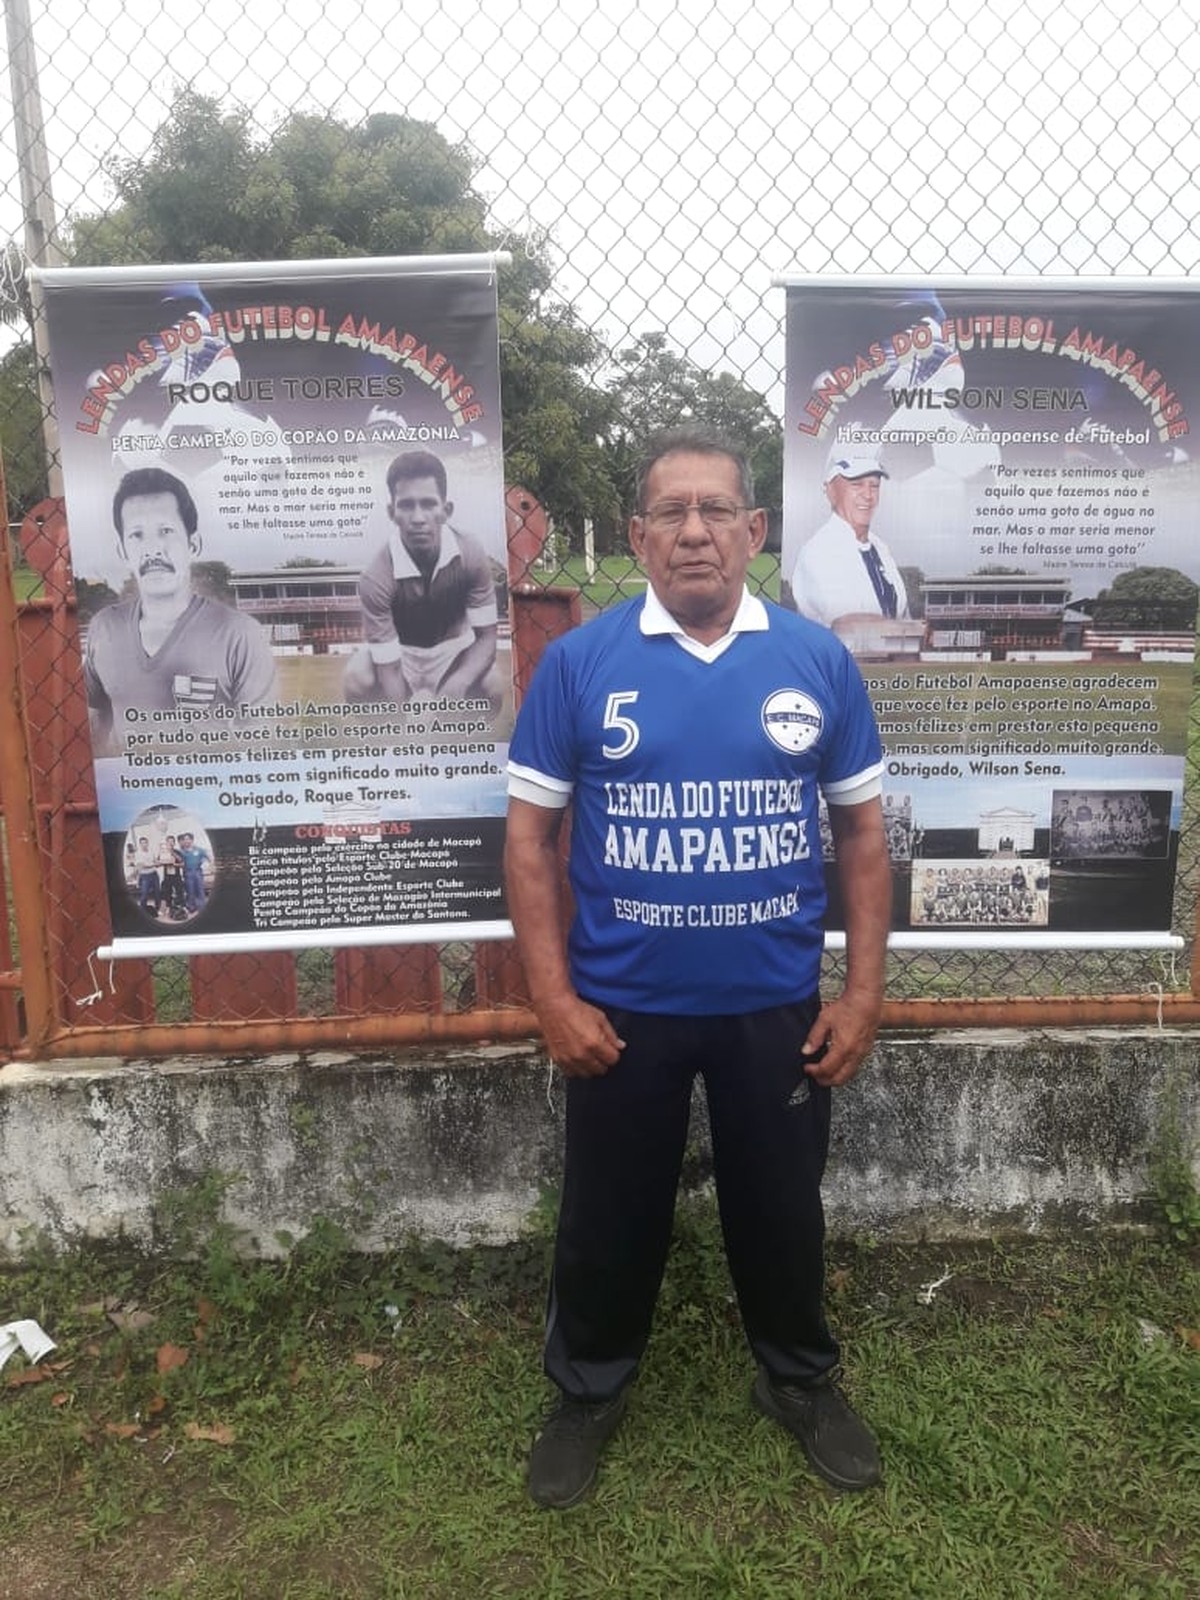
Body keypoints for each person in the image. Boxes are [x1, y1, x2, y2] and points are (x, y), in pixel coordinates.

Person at [505, 429, 891, 1510]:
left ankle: (799, 1378)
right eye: (669, 513)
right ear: (635, 537)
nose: (692, 532)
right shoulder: (583, 663)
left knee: (782, 1207)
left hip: (774, 1007)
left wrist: (861, 994)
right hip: (621, 1010)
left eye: (715, 510)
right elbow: (529, 842)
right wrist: (554, 997)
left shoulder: (815, 660)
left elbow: (862, 835)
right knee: (608, 1210)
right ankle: (587, 1388)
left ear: (755, 531)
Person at [84, 467, 277, 755]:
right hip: (132, 796)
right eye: (137, 535)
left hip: (213, 793)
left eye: (165, 531)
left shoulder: (240, 633)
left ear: (193, 544)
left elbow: (263, 741)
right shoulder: (104, 628)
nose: (153, 550)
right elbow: (97, 718)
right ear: (123, 550)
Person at [343, 450, 501, 709]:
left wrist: (460, 681)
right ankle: (391, 744)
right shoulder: (375, 576)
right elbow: (389, 667)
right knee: (356, 677)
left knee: (492, 684)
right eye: (406, 505)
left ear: (445, 510)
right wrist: (408, 724)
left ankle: (459, 743)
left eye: (428, 504)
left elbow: (486, 639)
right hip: (400, 656)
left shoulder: (470, 551)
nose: (418, 518)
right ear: (392, 511)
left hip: (454, 650)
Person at [790, 447, 910, 631]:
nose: (868, 495)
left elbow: (902, 613)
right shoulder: (819, 551)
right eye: (856, 485)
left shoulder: (880, 548)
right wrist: (904, 630)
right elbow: (844, 623)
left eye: (874, 486)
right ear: (831, 492)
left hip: (888, 657)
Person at [177, 832, 212, 913]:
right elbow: (177, 860)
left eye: (188, 839)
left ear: (192, 840)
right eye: (185, 839)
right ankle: (191, 907)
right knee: (190, 891)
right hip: (188, 873)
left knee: (200, 890)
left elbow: (208, 857)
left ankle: (201, 908)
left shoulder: (199, 850)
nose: (186, 841)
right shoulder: (182, 852)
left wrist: (211, 865)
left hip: (198, 872)